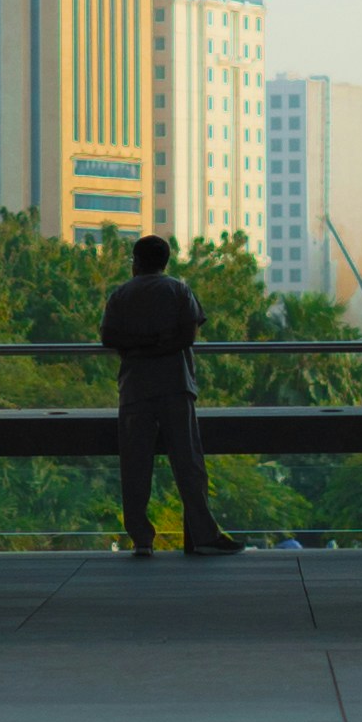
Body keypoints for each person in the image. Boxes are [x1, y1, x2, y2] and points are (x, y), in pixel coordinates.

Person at [100, 234, 245, 558]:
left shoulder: (121, 294)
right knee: (188, 464)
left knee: (135, 466)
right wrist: (160, 344)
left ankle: (142, 539)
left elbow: (108, 336)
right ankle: (204, 534)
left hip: (135, 389)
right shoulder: (178, 290)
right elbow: (187, 334)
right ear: (165, 261)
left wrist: (139, 347)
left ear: (135, 261)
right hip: (176, 386)